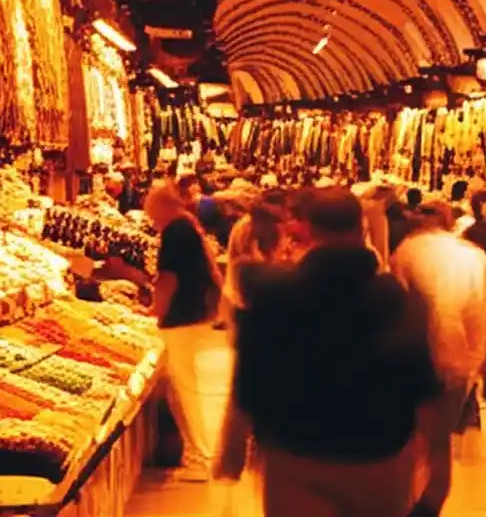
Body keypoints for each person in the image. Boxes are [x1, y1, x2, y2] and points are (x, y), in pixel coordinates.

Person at [232, 189, 441, 517]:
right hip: (380, 461)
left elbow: (249, 386)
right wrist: (438, 469)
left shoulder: (275, 295)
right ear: (362, 229)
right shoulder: (396, 299)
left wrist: (235, 448)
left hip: (295, 459)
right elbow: (422, 386)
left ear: (308, 230)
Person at [391, 200, 486, 517]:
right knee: (438, 445)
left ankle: (407, 504)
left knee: (407, 442)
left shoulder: (407, 250)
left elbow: (398, 304)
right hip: (457, 362)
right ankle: (428, 509)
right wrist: (473, 366)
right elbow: (480, 313)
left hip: (414, 357)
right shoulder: (473, 256)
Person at [145, 182, 223, 482]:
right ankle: (200, 455)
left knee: (186, 390)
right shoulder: (188, 226)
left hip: (181, 317)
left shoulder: (175, 231)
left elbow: (168, 278)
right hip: (194, 313)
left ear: (161, 207)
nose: (152, 221)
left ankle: (202, 457)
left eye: (153, 214)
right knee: (184, 388)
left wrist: (156, 310)